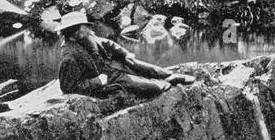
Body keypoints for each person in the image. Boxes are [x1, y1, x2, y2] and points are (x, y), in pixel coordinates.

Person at [56, 10, 192, 99]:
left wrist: (125, 53)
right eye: (84, 26)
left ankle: (169, 75)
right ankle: (165, 81)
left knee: (144, 67)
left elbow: (108, 43)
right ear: (74, 30)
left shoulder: (86, 37)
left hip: (115, 66)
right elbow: (69, 88)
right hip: (109, 79)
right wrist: (97, 81)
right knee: (152, 88)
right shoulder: (69, 56)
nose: (88, 29)